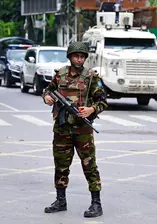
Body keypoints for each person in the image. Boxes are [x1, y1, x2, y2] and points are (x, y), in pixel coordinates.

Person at [42, 41, 108, 218]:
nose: (79, 59)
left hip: (82, 131)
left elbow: (103, 101)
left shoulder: (91, 77)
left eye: (82, 56)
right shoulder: (60, 75)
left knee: (89, 166)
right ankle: (60, 200)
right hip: (62, 128)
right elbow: (48, 90)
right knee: (61, 165)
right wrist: (47, 97)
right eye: (76, 56)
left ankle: (96, 203)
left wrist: (91, 110)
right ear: (70, 57)